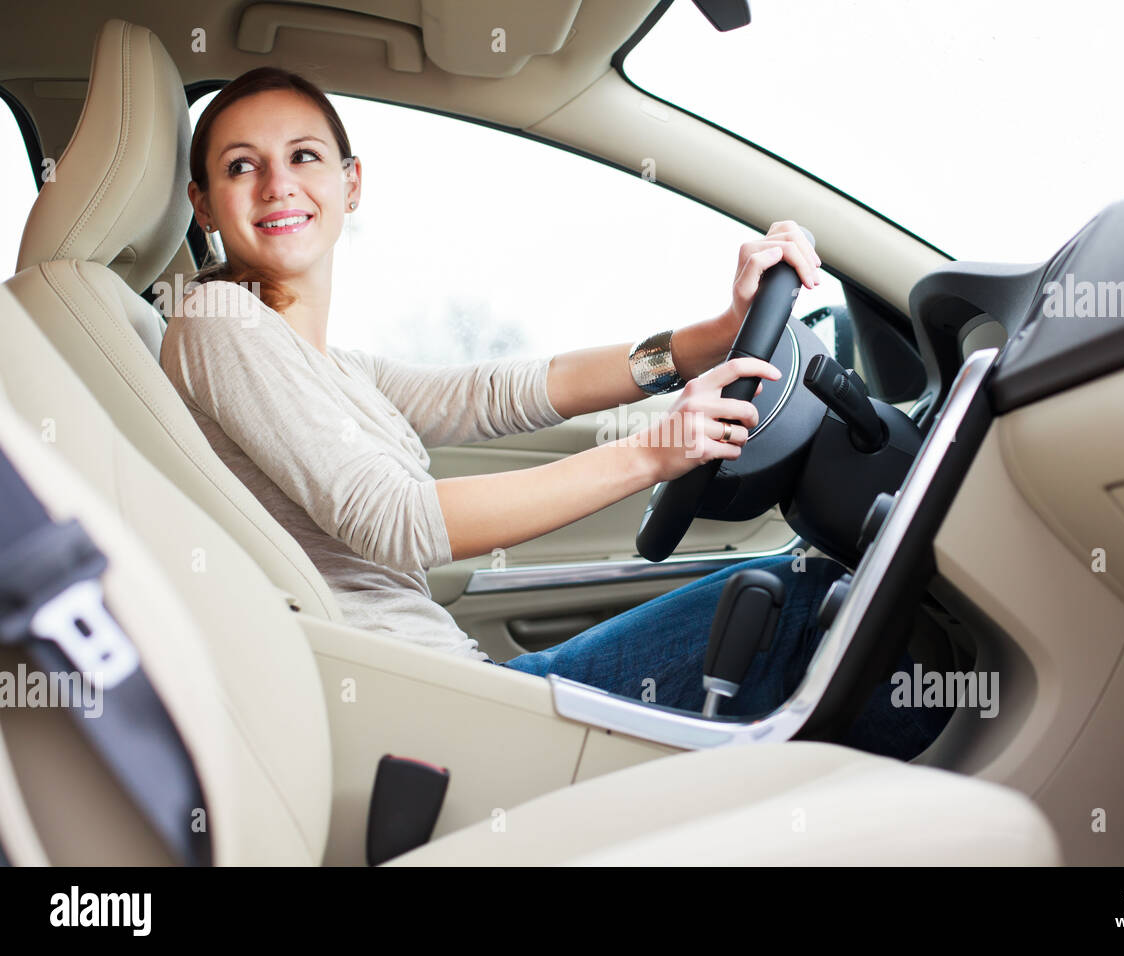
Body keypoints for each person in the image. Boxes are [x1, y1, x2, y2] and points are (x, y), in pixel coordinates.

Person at [160, 67, 948, 760]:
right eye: (241, 167)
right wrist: (652, 453)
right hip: (436, 723)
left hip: (442, 695)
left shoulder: (327, 366)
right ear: (202, 203)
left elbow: (499, 393)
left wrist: (707, 339)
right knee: (816, 606)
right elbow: (395, 519)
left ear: (351, 181)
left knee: (806, 601)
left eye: (303, 156)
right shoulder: (217, 321)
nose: (277, 185)